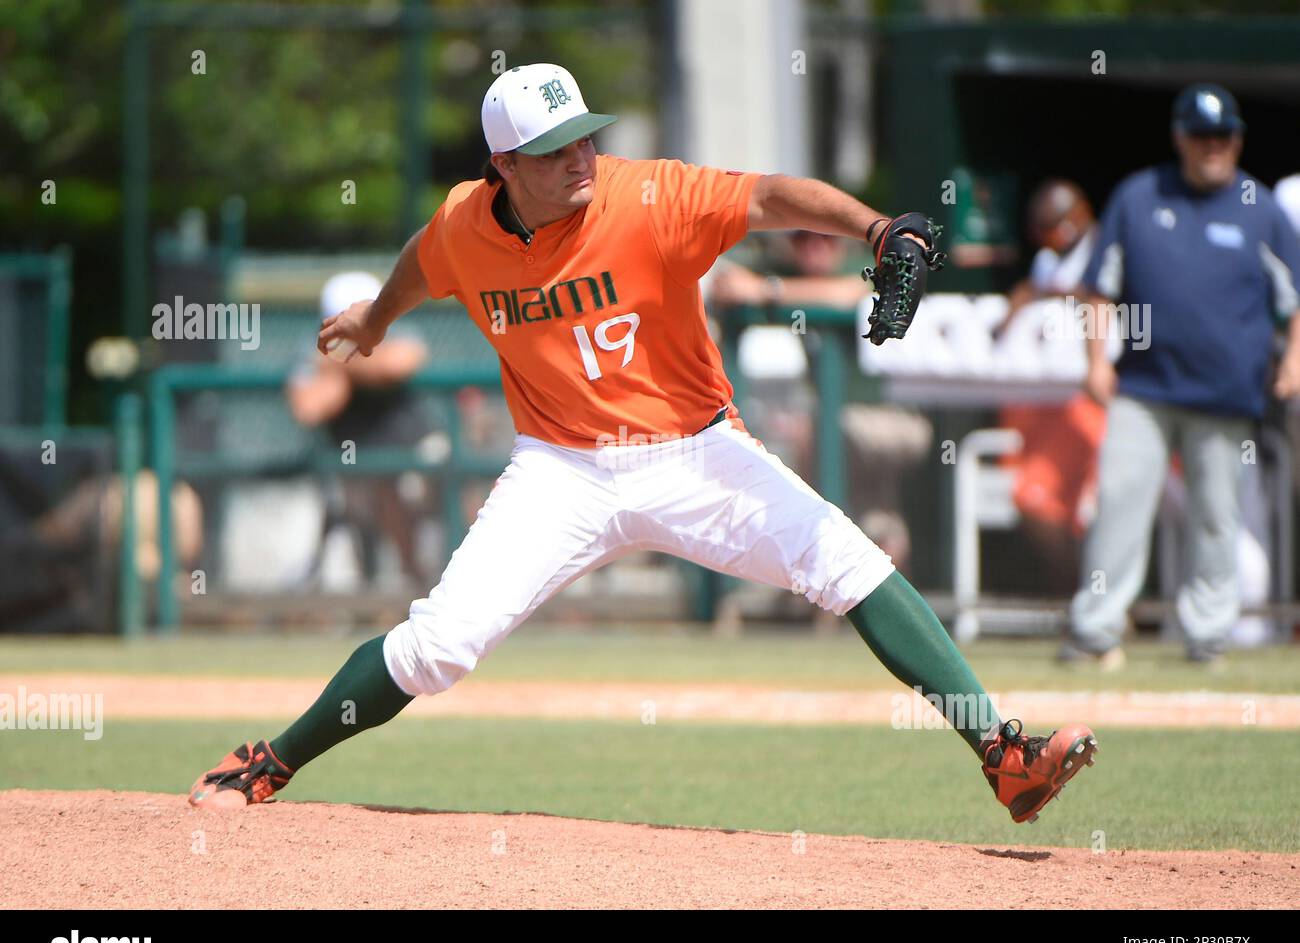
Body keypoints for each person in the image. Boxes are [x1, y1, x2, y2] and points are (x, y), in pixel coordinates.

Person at [188, 63, 1098, 824]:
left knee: (845, 560)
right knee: (438, 649)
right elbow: (421, 267)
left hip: (695, 454)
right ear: (504, 163)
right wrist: (375, 320)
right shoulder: (467, 223)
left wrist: (875, 226)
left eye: (586, 133)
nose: (582, 154)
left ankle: (1002, 752)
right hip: (561, 468)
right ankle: (273, 760)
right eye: (555, 147)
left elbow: (771, 196)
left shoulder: (647, 195)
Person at [1061, 84, 1300, 668]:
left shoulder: (1259, 206)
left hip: (1225, 394)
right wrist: (1095, 360)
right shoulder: (1140, 196)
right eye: (1201, 135)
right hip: (1143, 387)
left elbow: (1295, 296)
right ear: (1180, 137)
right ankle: (1095, 630)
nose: (1212, 147)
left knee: (1218, 515)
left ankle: (1208, 635)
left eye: (1222, 136)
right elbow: (1098, 288)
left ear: (1238, 139)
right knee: (1119, 502)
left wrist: (1294, 360)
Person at [708, 231, 932, 574]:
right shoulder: (782, 268)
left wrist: (767, 289)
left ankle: (823, 576)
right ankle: (822, 585)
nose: (814, 246)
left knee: (829, 468)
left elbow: (846, 295)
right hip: (831, 421)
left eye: (825, 238)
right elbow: (727, 280)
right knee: (869, 516)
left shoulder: (863, 263)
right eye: (802, 238)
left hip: (892, 418)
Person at [286, 272, 439, 588]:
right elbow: (310, 407)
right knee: (381, 491)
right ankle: (414, 584)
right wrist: (353, 366)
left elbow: (401, 363)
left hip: (418, 447)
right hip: (357, 464)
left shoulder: (390, 333)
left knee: (462, 483)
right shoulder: (312, 348)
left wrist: (341, 362)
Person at [997, 181, 1108, 596]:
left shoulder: (1107, 251)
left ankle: (1105, 603)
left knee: (1097, 509)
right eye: (1043, 229)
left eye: (1058, 226)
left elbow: (1109, 299)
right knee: (1033, 500)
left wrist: (1035, 294)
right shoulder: (1046, 262)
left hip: (1101, 405)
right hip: (1045, 411)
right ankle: (1076, 598)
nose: (1051, 237)